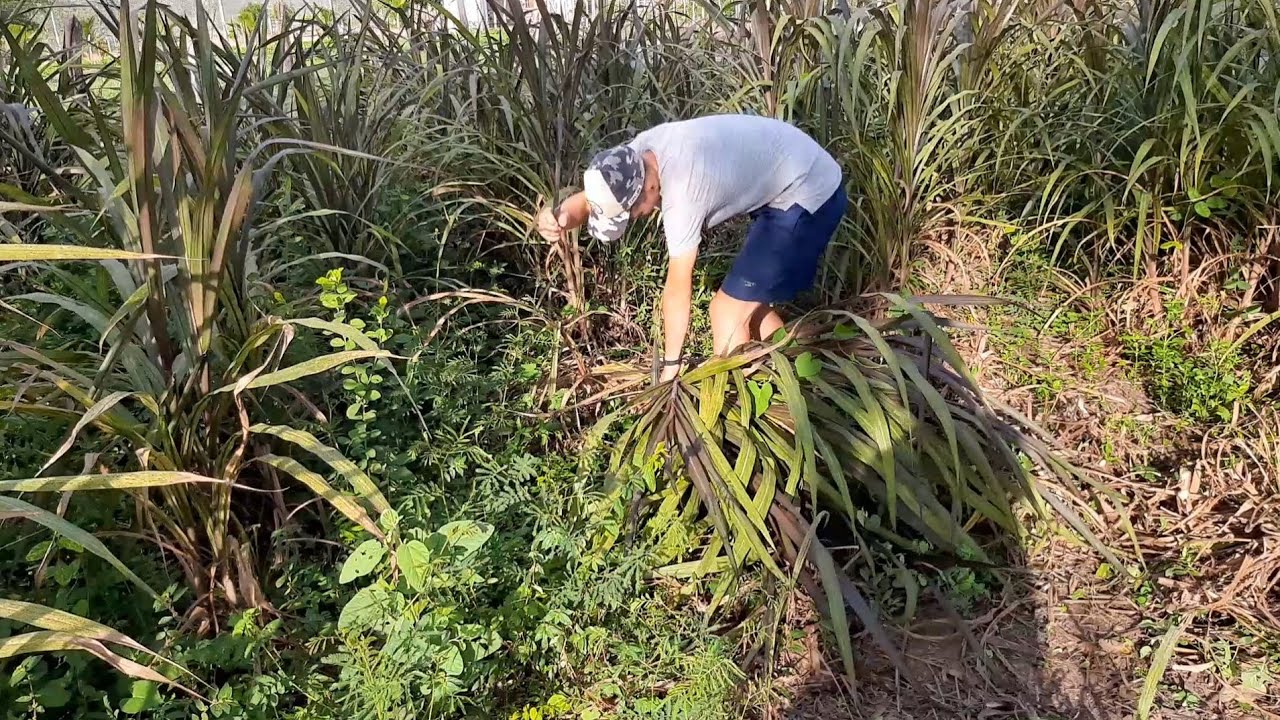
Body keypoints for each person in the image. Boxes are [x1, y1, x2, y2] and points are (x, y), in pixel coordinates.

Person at [536, 114, 847, 382]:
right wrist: (560, 216)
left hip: (808, 195)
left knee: (725, 312)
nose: (634, 219)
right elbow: (595, 198)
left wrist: (671, 366)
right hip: (794, 176)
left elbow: (677, 289)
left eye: (631, 213)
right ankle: (797, 375)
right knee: (749, 308)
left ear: (651, 188)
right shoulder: (633, 160)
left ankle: (739, 406)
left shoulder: (683, 192)